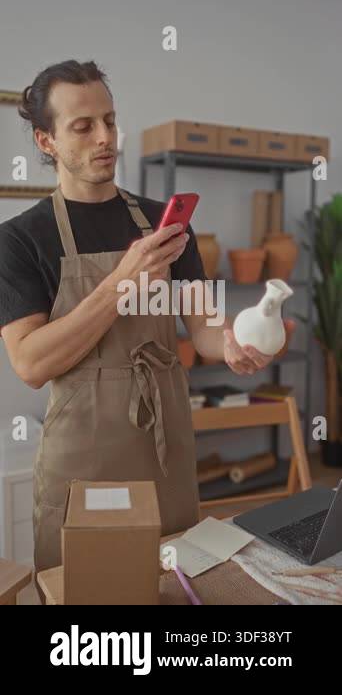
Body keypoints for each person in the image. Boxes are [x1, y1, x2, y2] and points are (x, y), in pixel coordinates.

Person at [0, 59, 295, 594]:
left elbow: (203, 328)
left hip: (166, 448)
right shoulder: (21, 239)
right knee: (86, 597)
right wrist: (122, 279)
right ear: (46, 140)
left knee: (175, 589)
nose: (106, 137)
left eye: (111, 120)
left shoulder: (165, 223)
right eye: (83, 126)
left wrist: (232, 345)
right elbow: (31, 363)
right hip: (81, 457)